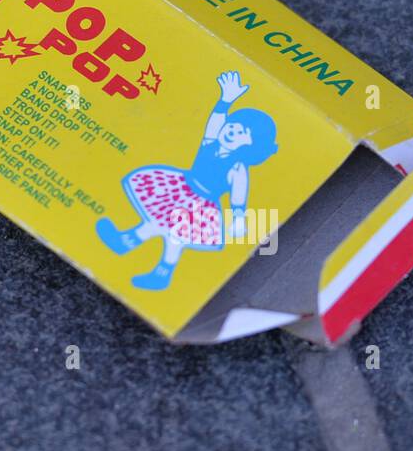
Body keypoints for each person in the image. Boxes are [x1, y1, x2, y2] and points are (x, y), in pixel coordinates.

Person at [96, 71, 278, 290]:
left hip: (200, 204)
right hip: (181, 187)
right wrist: (225, 101)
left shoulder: (238, 168)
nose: (232, 131)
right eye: (232, 125)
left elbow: (239, 195)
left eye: (241, 132)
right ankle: (125, 242)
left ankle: (161, 272)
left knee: (175, 238)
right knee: (156, 222)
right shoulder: (210, 143)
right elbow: (214, 123)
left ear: (250, 143)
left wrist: (238, 218)